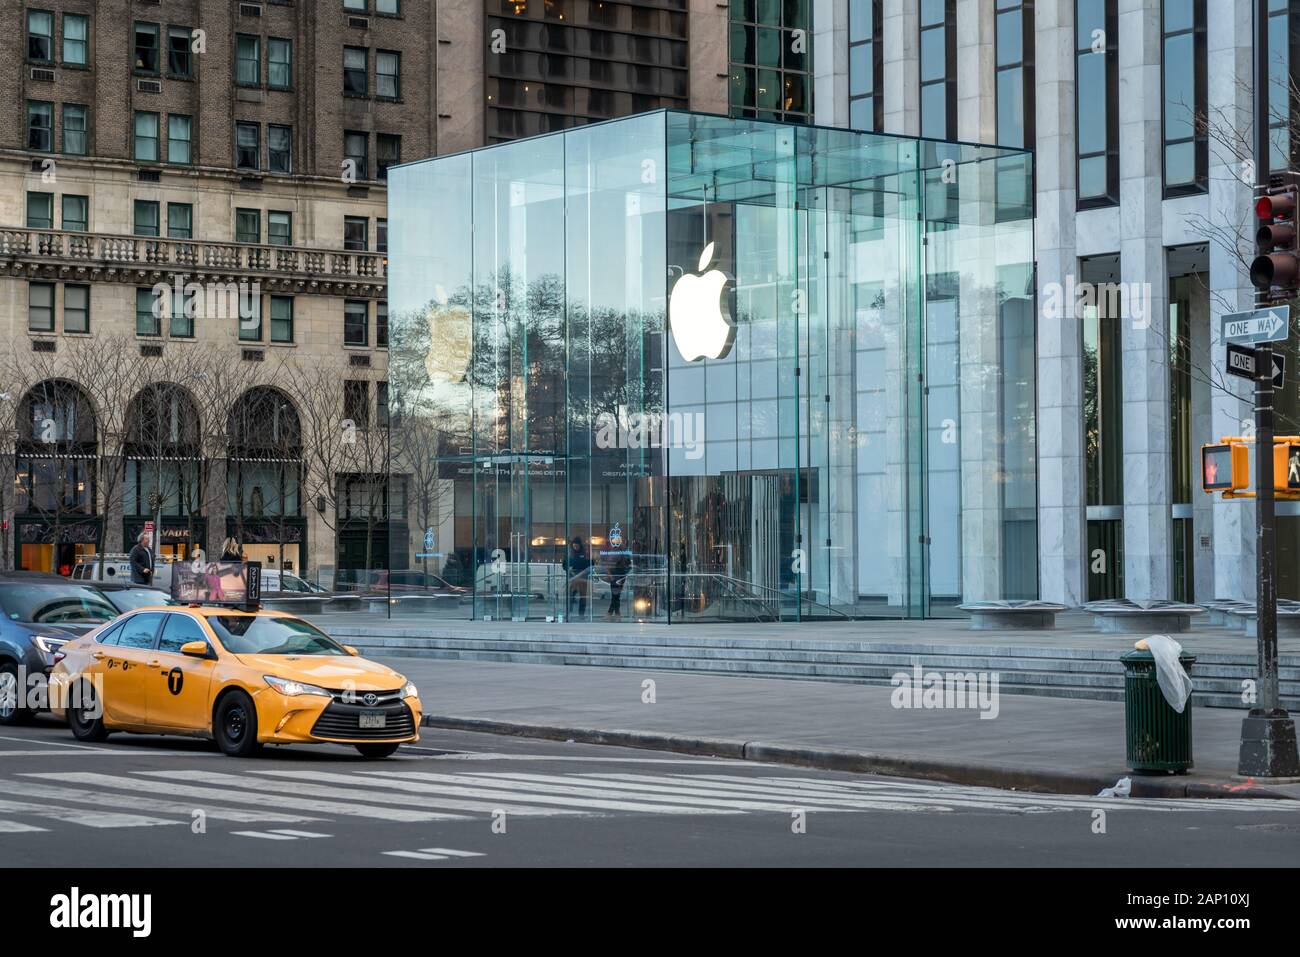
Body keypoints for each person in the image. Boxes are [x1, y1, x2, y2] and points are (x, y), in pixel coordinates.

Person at [564, 537, 592, 617]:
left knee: (582, 596)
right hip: (572, 576)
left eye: (576, 546)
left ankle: (581, 614)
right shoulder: (570, 553)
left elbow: (589, 564)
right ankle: (569, 612)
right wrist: (567, 568)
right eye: (574, 546)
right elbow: (564, 564)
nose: (575, 547)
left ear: (580, 545)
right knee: (570, 594)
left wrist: (584, 571)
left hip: (582, 576)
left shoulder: (585, 553)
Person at [605, 548, 631, 621]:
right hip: (618, 577)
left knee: (615, 597)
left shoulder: (618, 554)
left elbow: (608, 567)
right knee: (616, 597)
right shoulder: (621, 554)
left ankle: (612, 614)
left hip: (617, 577)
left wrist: (611, 576)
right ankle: (615, 614)